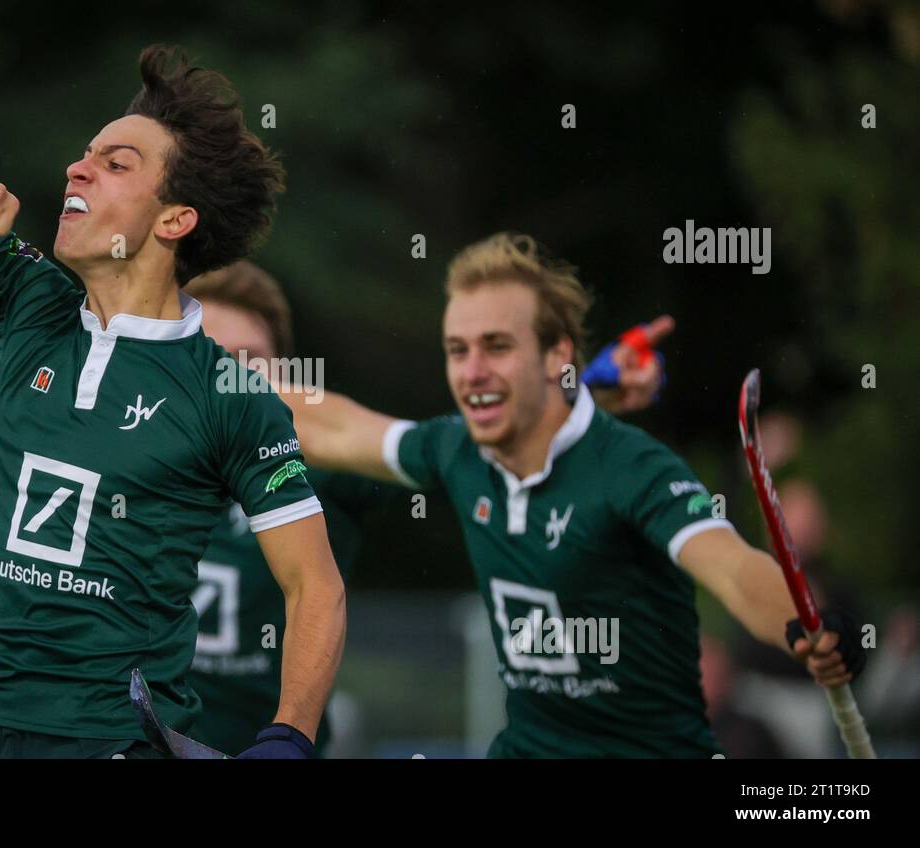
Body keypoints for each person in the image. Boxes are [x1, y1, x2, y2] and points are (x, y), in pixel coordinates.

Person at [0, 45, 345, 759]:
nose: (77, 168)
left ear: (174, 220)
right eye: (86, 154)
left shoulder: (231, 395)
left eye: (116, 164)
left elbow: (315, 586)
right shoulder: (24, 301)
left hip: (112, 742)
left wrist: (290, 738)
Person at [281, 232, 864, 756]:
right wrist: (206, 379)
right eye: (458, 351)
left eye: (496, 346)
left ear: (558, 353)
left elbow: (733, 568)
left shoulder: (633, 467)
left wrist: (803, 627)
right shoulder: (455, 450)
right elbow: (336, 426)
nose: (472, 370)